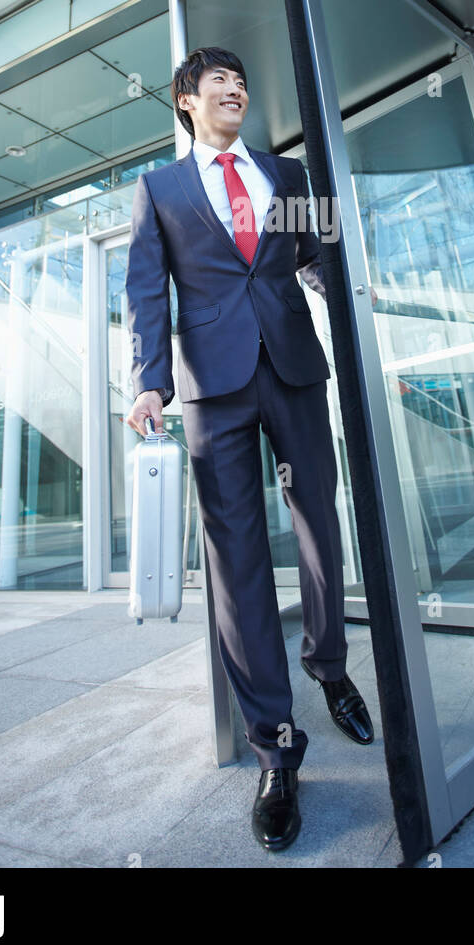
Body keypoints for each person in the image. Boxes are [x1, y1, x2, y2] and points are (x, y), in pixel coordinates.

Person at [124, 46, 374, 852]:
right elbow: (145, 290)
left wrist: (356, 307)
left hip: (294, 367)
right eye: (218, 83)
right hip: (211, 389)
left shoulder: (287, 174)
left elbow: (319, 257)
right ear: (186, 101)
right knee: (236, 563)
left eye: (241, 80)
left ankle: (330, 667)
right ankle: (276, 747)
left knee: (318, 527)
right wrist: (149, 381)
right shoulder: (158, 189)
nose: (236, 89)